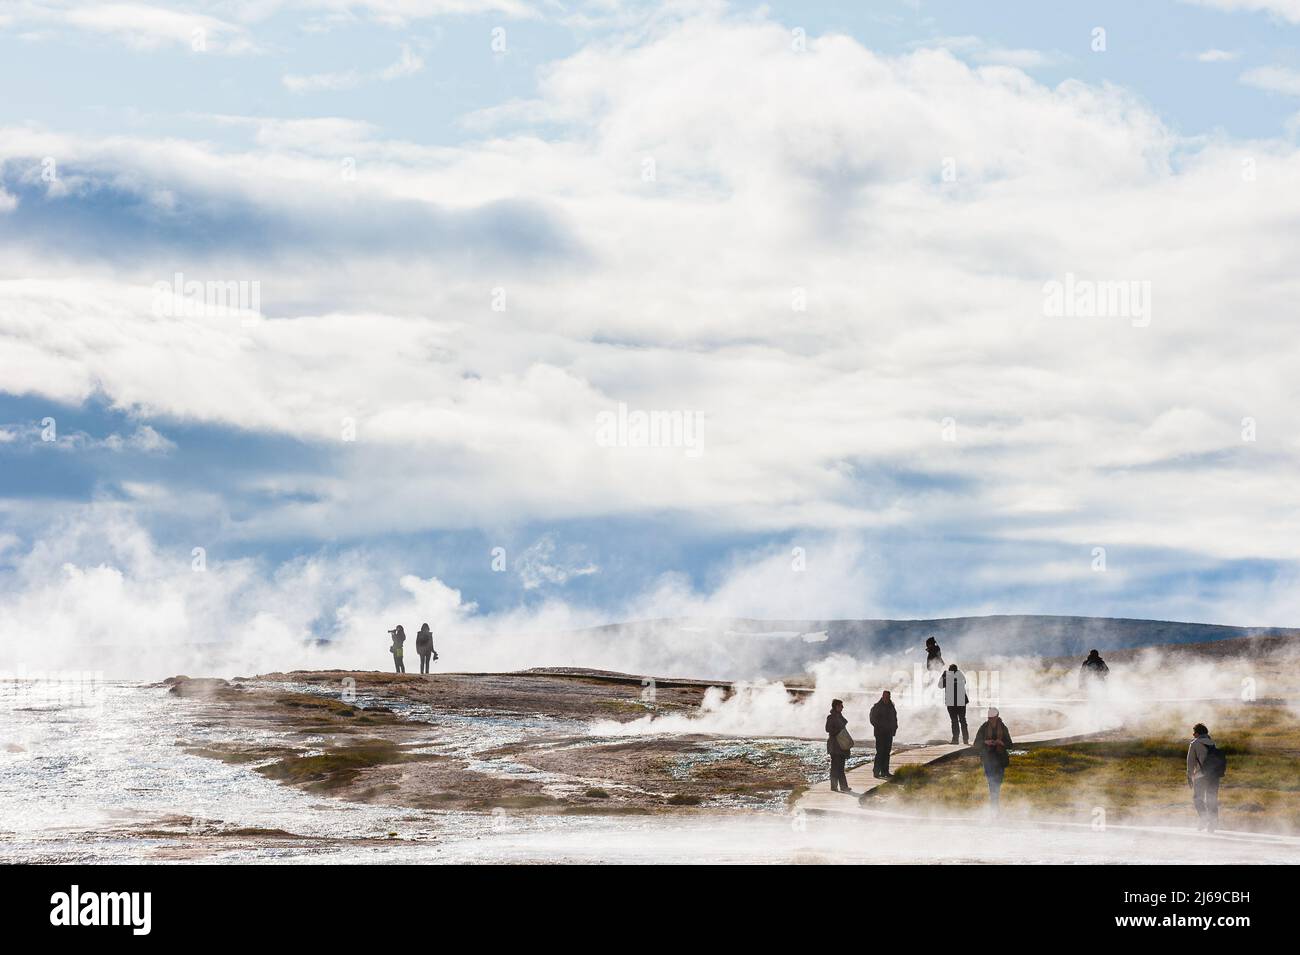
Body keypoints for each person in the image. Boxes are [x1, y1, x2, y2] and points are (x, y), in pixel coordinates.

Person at [973, 707, 1012, 814]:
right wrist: (986, 742)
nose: (990, 720)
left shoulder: (1003, 728)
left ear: (997, 717)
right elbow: (976, 744)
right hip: (988, 759)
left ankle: (995, 806)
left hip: (1000, 759)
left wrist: (1001, 743)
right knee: (991, 783)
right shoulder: (984, 727)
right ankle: (994, 807)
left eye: (992, 718)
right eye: (989, 718)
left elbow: (1010, 744)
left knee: (997, 784)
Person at [1187, 723, 1222, 833]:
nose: (1193, 734)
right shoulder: (1212, 743)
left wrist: (1189, 776)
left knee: (1197, 798)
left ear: (1198, 733)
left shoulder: (1194, 743)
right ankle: (1213, 824)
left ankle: (1204, 817)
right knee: (1212, 799)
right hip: (1214, 776)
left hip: (1201, 776)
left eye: (1194, 732)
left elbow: (1190, 762)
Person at [825, 699, 855, 794]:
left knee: (840, 767)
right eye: (841, 706)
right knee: (835, 767)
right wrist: (838, 730)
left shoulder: (839, 717)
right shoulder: (831, 717)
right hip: (835, 746)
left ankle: (843, 786)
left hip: (840, 746)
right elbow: (828, 729)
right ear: (836, 706)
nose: (842, 708)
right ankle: (834, 786)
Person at [869, 690, 898, 779]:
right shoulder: (877, 706)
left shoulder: (891, 706)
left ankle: (885, 771)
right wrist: (880, 727)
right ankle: (876, 771)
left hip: (889, 733)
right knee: (880, 752)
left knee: (887, 753)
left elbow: (894, 718)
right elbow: (872, 719)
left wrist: (894, 728)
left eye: (888, 697)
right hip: (880, 733)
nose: (886, 698)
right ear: (882, 696)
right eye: (885, 697)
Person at [939, 663, 969, 744]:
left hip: (952, 701)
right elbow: (964, 682)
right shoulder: (960, 674)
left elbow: (940, 685)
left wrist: (944, 676)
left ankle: (955, 739)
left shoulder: (948, 675)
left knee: (954, 721)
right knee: (962, 720)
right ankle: (965, 739)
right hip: (961, 700)